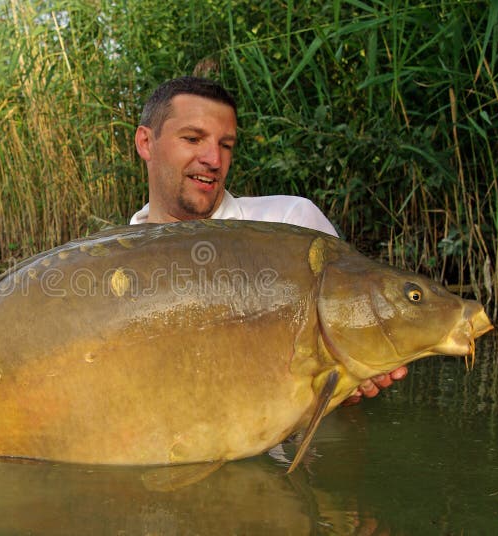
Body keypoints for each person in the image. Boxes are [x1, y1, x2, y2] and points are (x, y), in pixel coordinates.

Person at [130, 76, 406, 403]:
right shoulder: (110, 265)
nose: (214, 160)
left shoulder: (292, 225)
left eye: (226, 145)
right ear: (146, 142)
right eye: (193, 138)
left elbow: (342, 382)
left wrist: (350, 383)